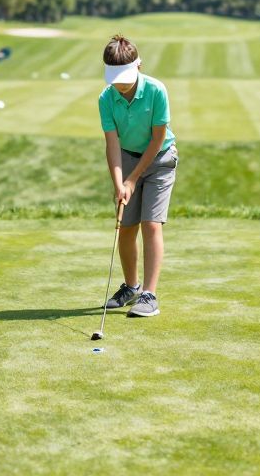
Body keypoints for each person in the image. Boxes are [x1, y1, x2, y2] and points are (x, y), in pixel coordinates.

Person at [98, 35, 178, 318]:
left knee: (151, 224)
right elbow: (112, 144)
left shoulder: (156, 90)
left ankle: (149, 294)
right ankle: (131, 287)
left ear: (138, 65)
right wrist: (119, 183)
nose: (120, 84)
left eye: (125, 77)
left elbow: (157, 140)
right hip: (127, 156)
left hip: (160, 159)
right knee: (127, 224)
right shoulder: (106, 99)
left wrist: (133, 179)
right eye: (115, 79)